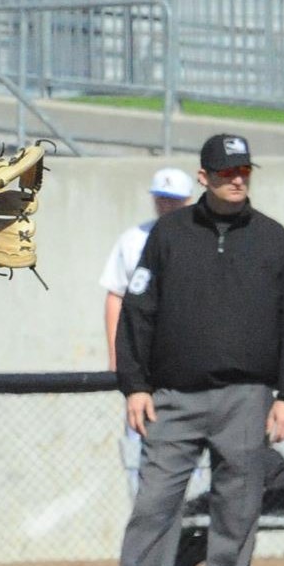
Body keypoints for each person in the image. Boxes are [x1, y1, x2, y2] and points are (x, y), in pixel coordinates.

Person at [102, 133, 284, 566]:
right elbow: (138, 312)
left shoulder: (273, 240)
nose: (237, 178)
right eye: (225, 172)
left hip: (246, 398)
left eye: (243, 170)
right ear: (204, 177)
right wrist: (135, 385)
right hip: (173, 398)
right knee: (152, 510)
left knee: (236, 518)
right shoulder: (170, 235)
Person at [101, 167, 199, 497]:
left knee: (193, 450)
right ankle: (146, 532)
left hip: (191, 365)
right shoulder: (133, 239)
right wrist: (118, 358)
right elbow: (115, 295)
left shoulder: (204, 239)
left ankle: (192, 535)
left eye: (174, 200)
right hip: (145, 364)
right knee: (139, 444)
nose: (167, 206)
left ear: (189, 200)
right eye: (162, 199)